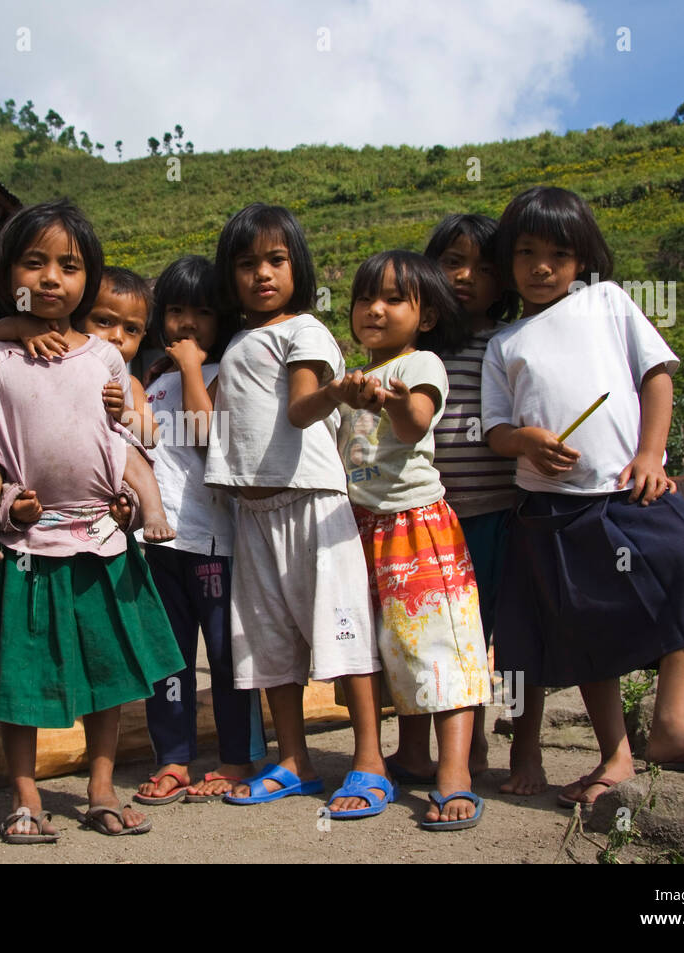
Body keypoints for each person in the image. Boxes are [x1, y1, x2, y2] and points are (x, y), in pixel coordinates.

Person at [482, 186, 684, 808]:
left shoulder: (609, 303)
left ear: (583, 259)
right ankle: (615, 752)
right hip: (552, 509)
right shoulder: (504, 344)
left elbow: (656, 377)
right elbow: (496, 430)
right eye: (525, 252)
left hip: (627, 487)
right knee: (590, 624)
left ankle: (672, 723)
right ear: (506, 259)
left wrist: (649, 455)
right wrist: (525, 441)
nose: (540, 267)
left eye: (557, 254)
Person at [0, 200, 184, 842]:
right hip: (26, 542)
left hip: (100, 538)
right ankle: (27, 798)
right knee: (24, 681)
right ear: (8, 274)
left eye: (69, 266)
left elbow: (125, 440)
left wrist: (131, 501)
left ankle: (101, 788)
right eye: (34, 263)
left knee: (109, 675)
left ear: (89, 277)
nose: (52, 278)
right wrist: (1, 510)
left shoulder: (107, 359)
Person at [198, 203, 392, 819]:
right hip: (250, 514)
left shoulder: (303, 330)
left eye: (276, 260)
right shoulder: (235, 342)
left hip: (310, 502)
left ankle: (368, 761)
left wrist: (336, 391)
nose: (262, 273)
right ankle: (294, 761)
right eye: (247, 262)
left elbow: (302, 409)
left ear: (297, 267)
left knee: (343, 632)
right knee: (267, 641)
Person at [337, 250, 487, 829]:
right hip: (362, 531)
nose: (375, 309)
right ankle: (412, 756)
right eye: (365, 297)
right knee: (383, 651)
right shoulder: (354, 375)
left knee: (439, 652)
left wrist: (391, 399)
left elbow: (415, 421)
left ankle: (455, 776)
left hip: (415, 526)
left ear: (424, 317)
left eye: (394, 299)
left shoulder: (421, 364)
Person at [380, 215, 528, 790]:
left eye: (486, 267)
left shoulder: (506, 342)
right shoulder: (416, 347)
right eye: (452, 262)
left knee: (476, 633)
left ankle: (474, 745)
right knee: (416, 634)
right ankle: (416, 749)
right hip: (422, 518)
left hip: (493, 511)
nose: (467, 276)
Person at [122, 256, 267, 805]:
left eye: (202, 312)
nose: (187, 323)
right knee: (169, 657)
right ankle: (174, 759)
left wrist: (188, 368)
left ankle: (236, 759)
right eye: (177, 311)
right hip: (159, 541)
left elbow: (210, 440)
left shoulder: (225, 371)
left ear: (222, 318)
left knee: (228, 657)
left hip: (215, 543)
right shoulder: (154, 378)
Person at [0, 267, 174, 547]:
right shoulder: (53, 359)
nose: (117, 336)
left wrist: (124, 414)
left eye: (131, 329)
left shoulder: (131, 383)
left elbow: (151, 438)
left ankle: (155, 514)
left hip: (106, 483)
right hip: (54, 487)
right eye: (104, 321)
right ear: (78, 318)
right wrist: (21, 327)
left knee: (131, 454)